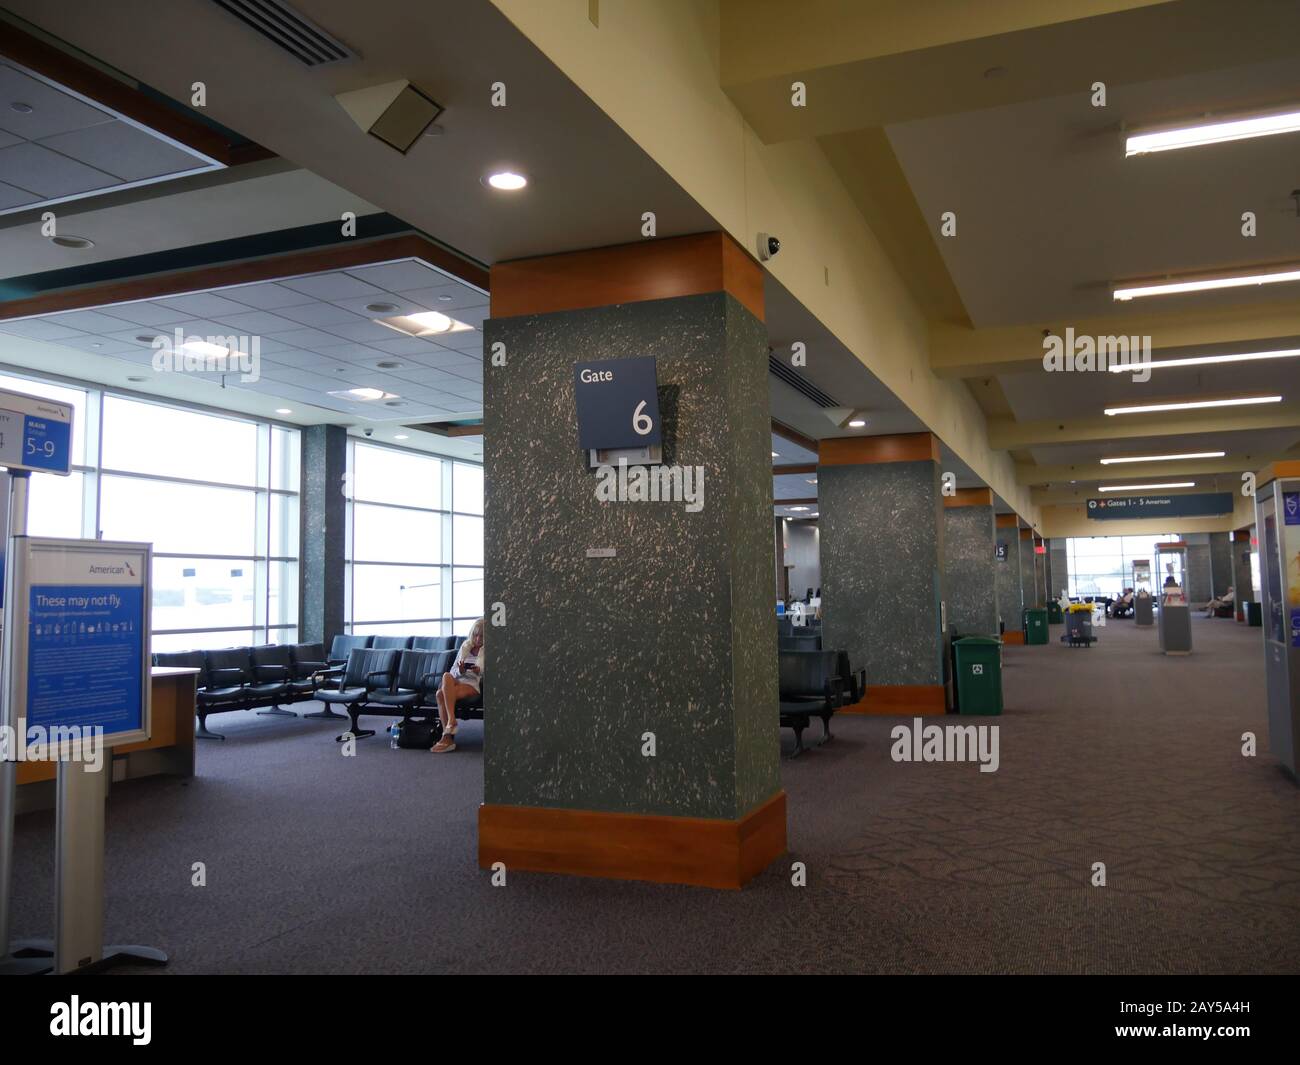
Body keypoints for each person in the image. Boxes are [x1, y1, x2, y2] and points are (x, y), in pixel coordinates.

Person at [432, 617, 484, 754]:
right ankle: (451, 721)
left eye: (482, 636)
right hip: (459, 679)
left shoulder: (487, 650)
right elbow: (453, 670)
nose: (478, 639)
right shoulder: (465, 646)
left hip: (473, 684)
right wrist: (460, 670)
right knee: (446, 676)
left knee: (440, 694)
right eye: (476, 635)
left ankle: (447, 737)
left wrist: (480, 670)